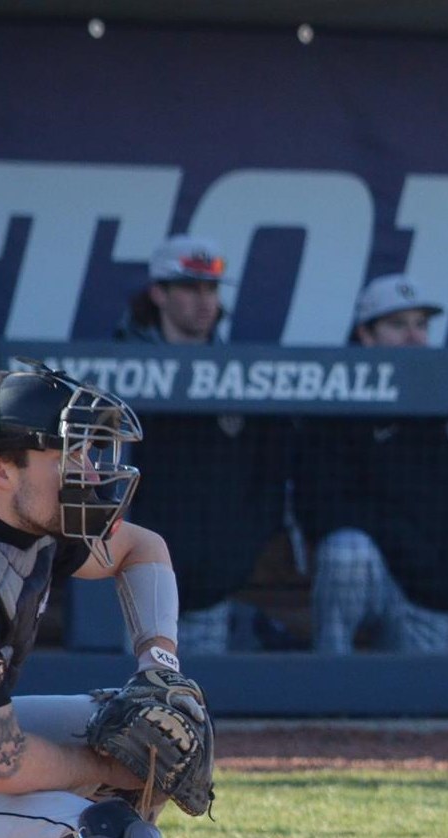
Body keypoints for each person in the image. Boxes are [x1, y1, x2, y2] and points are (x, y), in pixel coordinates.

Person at [0, 363, 204, 838]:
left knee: (150, 732)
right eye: (67, 453)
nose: (89, 469)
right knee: (99, 835)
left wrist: (159, 667)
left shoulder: (23, 521)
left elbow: (142, 548)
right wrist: (106, 769)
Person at [293, 275, 448, 652]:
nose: (414, 337)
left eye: (421, 325)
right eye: (398, 325)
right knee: (347, 552)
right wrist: (404, 545)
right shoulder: (336, 402)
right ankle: (330, 668)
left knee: (424, 688)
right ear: (366, 335)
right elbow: (320, 505)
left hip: (433, 586)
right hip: (374, 570)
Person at [117, 235, 293, 653]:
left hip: (213, 582)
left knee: (197, 690)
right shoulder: (118, 367)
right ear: (159, 293)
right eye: (189, 288)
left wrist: (234, 555)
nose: (204, 300)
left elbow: (270, 478)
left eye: (211, 289)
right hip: (133, 578)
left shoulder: (244, 377)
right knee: (131, 689)